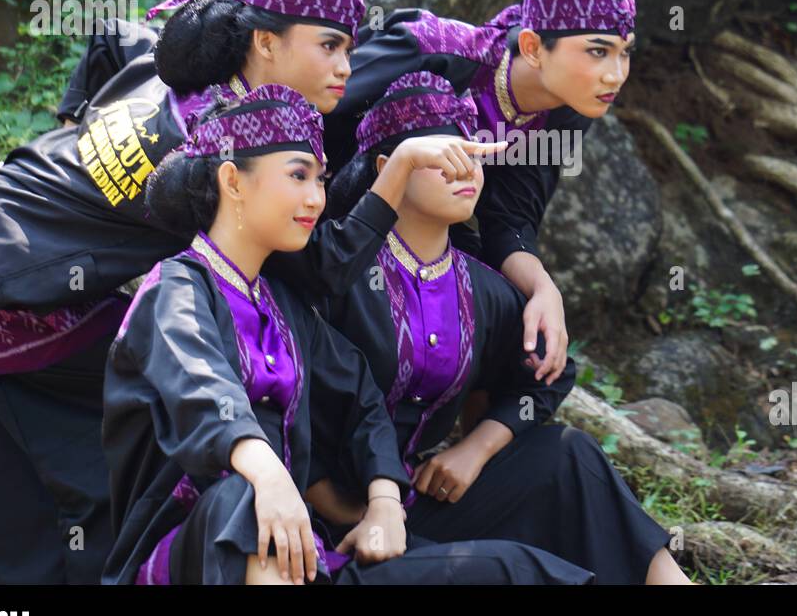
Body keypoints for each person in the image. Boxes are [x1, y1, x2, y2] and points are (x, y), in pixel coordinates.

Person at [0, 0, 471, 583]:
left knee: (32, 452)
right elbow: (322, 268)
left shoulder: (185, 70)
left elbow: (112, 37)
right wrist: (395, 173)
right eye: (331, 46)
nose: (346, 68)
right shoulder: (222, 138)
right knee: (125, 429)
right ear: (264, 41)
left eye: (352, 49)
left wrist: (74, 128)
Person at [104, 83, 592, 585]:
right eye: (298, 176)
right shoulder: (175, 289)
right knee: (244, 499)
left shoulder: (285, 305)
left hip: (304, 550)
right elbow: (202, 391)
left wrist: (383, 502)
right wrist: (269, 476)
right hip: (193, 553)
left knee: (514, 571)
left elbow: (361, 401)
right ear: (233, 180)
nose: (316, 198)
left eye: (321, 179)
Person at [314, 73, 690, 584]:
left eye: (472, 155)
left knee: (567, 455)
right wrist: (355, 509)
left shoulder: (481, 289)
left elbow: (548, 374)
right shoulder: (338, 275)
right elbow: (286, 412)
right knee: (517, 571)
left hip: (413, 505)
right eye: (445, 159)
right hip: (327, 528)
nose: (465, 170)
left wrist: (477, 448)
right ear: (389, 169)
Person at [323, 0, 637, 395]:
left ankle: (466, 439)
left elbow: (509, 221)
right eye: (597, 51)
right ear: (532, 46)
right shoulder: (431, 50)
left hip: (420, 243)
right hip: (324, 222)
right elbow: (309, 113)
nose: (615, 74)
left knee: (527, 328)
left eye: (624, 52)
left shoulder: (571, 109)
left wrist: (544, 288)